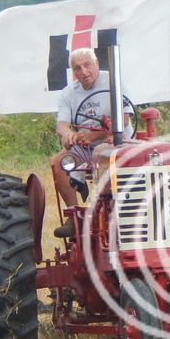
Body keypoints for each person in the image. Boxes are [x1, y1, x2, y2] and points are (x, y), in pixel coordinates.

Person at [52, 47, 134, 237]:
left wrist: (94, 135)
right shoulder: (68, 93)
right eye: (77, 68)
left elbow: (125, 118)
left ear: (96, 64)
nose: (83, 72)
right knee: (58, 163)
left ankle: (119, 214)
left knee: (107, 154)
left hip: (116, 144)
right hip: (85, 147)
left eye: (87, 65)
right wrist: (67, 134)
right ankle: (75, 218)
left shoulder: (114, 83)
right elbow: (61, 125)